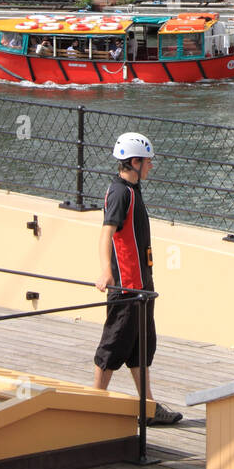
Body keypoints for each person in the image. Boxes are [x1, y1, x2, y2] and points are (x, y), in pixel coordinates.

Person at [93, 133, 181, 426]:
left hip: (142, 286)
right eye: (147, 162)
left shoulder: (133, 190)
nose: (151, 167)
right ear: (134, 162)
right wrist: (106, 270)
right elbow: (107, 232)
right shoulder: (120, 193)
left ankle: (149, 408)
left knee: (141, 348)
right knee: (113, 344)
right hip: (126, 286)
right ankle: (92, 404)